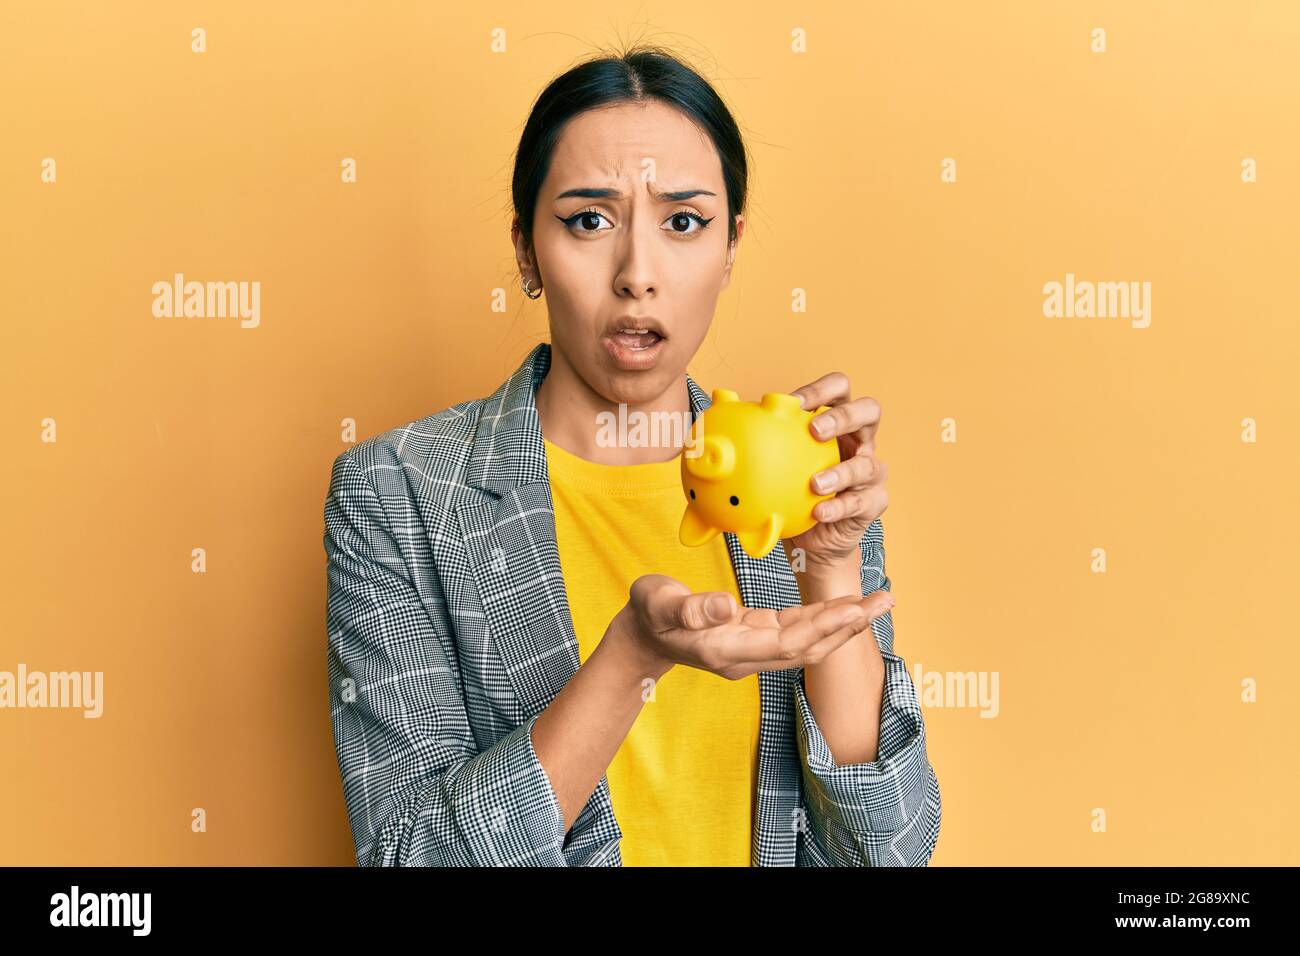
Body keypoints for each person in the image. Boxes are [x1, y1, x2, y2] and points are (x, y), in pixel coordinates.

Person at [325, 45, 941, 867]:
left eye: (684, 222)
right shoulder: (396, 492)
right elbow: (408, 858)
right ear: (525, 249)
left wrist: (829, 567)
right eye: (589, 219)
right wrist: (632, 660)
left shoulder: (795, 484)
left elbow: (886, 855)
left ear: (731, 248)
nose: (637, 274)